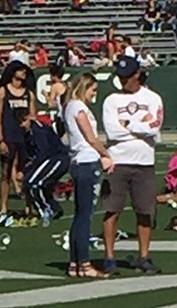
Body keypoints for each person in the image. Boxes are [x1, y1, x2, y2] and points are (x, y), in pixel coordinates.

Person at [101, 56, 163, 275]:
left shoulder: (152, 98)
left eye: (127, 76)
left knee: (145, 211)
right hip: (117, 161)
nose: (123, 81)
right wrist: (139, 128)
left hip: (144, 162)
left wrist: (127, 124)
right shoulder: (111, 100)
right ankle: (109, 257)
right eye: (120, 77)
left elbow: (154, 127)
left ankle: (144, 256)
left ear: (137, 74)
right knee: (112, 210)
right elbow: (112, 131)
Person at [63, 73, 113, 278]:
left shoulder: (69, 106)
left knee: (79, 215)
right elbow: (91, 138)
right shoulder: (78, 107)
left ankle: (75, 262)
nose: (94, 94)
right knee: (85, 216)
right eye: (93, 90)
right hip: (87, 162)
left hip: (78, 162)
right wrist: (106, 155)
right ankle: (84, 262)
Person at [0, 61, 37, 224]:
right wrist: (0, 139)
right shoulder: (2, 91)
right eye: (20, 70)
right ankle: (3, 207)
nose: (23, 73)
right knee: (5, 172)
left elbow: (33, 115)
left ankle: (29, 206)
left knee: (27, 172)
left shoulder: (28, 94)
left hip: (24, 138)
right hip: (9, 136)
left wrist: (30, 123)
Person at [15, 109, 69, 226]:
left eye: (23, 121)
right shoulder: (29, 132)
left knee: (32, 182)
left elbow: (42, 154)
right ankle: (54, 208)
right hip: (51, 159)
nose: (21, 125)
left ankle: (45, 210)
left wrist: (26, 170)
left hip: (57, 159)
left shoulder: (38, 131)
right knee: (43, 185)